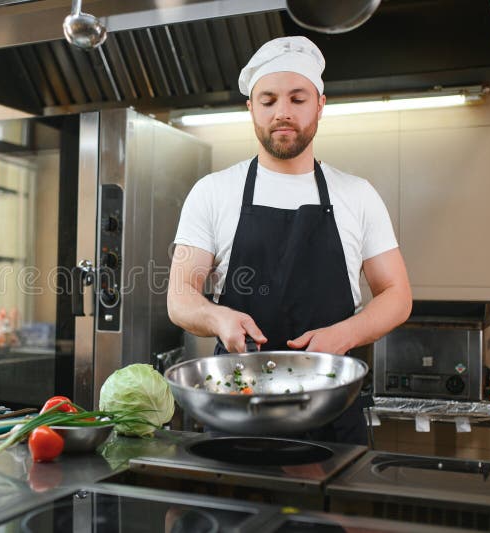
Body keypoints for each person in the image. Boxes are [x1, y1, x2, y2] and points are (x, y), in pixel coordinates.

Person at [167, 36, 412, 445]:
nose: (282, 113)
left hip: (331, 410)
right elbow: (181, 295)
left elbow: (397, 294)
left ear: (320, 104)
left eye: (298, 99)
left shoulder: (357, 194)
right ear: (250, 108)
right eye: (268, 100)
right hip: (234, 408)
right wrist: (217, 318)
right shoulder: (213, 192)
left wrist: (345, 334)